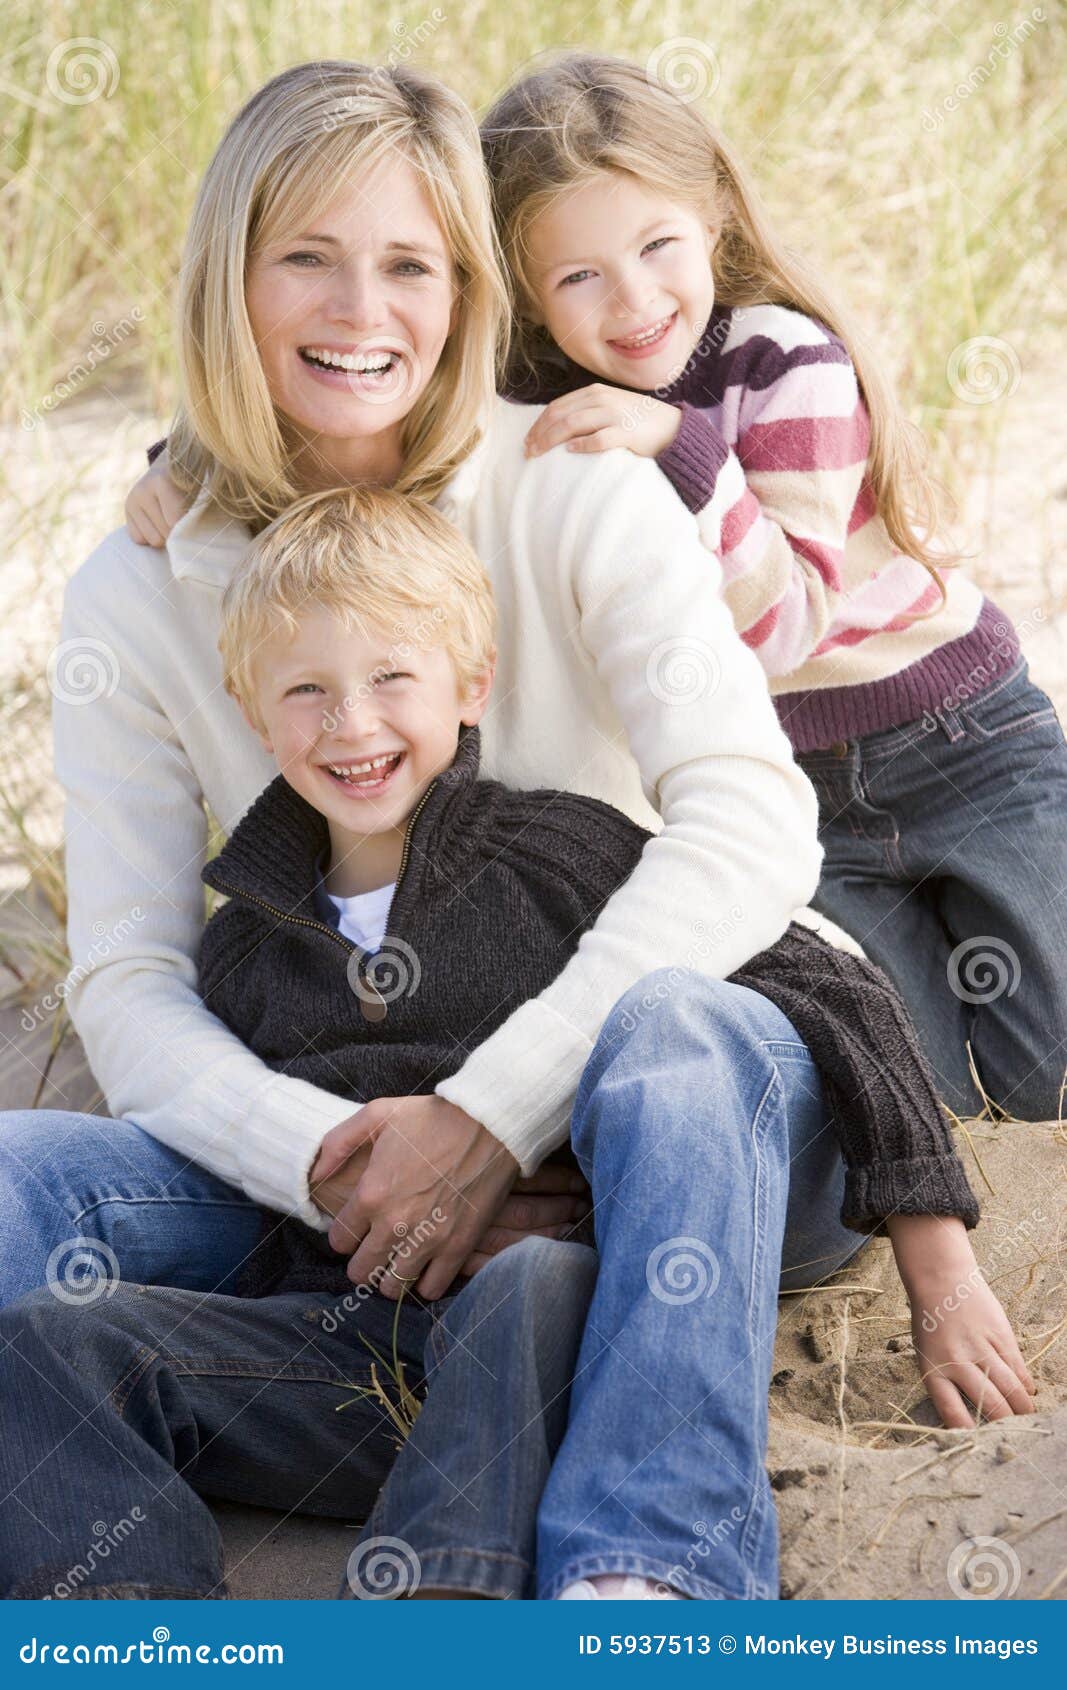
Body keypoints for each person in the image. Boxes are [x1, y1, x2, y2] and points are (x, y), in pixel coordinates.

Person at [0, 485, 1028, 1603]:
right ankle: (123, 1626)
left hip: (550, 1343)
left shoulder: (553, 849)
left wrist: (936, 1263)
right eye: (307, 690)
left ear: (470, 685)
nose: (351, 724)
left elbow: (837, 993)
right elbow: (253, 1210)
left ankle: (461, 1607)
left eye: (392, 678)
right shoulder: (244, 950)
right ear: (255, 717)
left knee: (535, 1278)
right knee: (44, 1344)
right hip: (345, 1368)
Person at [0, 58, 823, 1316]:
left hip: (645, 1109)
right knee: (20, 1176)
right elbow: (128, 972)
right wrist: (333, 1163)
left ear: (462, 291)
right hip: (354, 1150)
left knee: (679, 1053)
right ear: (228, 278)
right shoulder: (141, 585)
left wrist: (491, 1118)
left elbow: (752, 820)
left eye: (407, 266)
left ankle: (642, 1503)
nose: (358, 310)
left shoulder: (570, 481)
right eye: (303, 259)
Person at [458, 50, 1067, 1123]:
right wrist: (183, 461)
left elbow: (785, 623)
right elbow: (394, 400)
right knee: (913, 1088)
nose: (634, 299)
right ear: (525, 297)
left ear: (714, 224)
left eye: (656, 246)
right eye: (578, 276)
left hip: (954, 739)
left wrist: (682, 446)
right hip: (797, 802)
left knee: (1047, 1071)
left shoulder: (782, 363)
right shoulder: (551, 395)